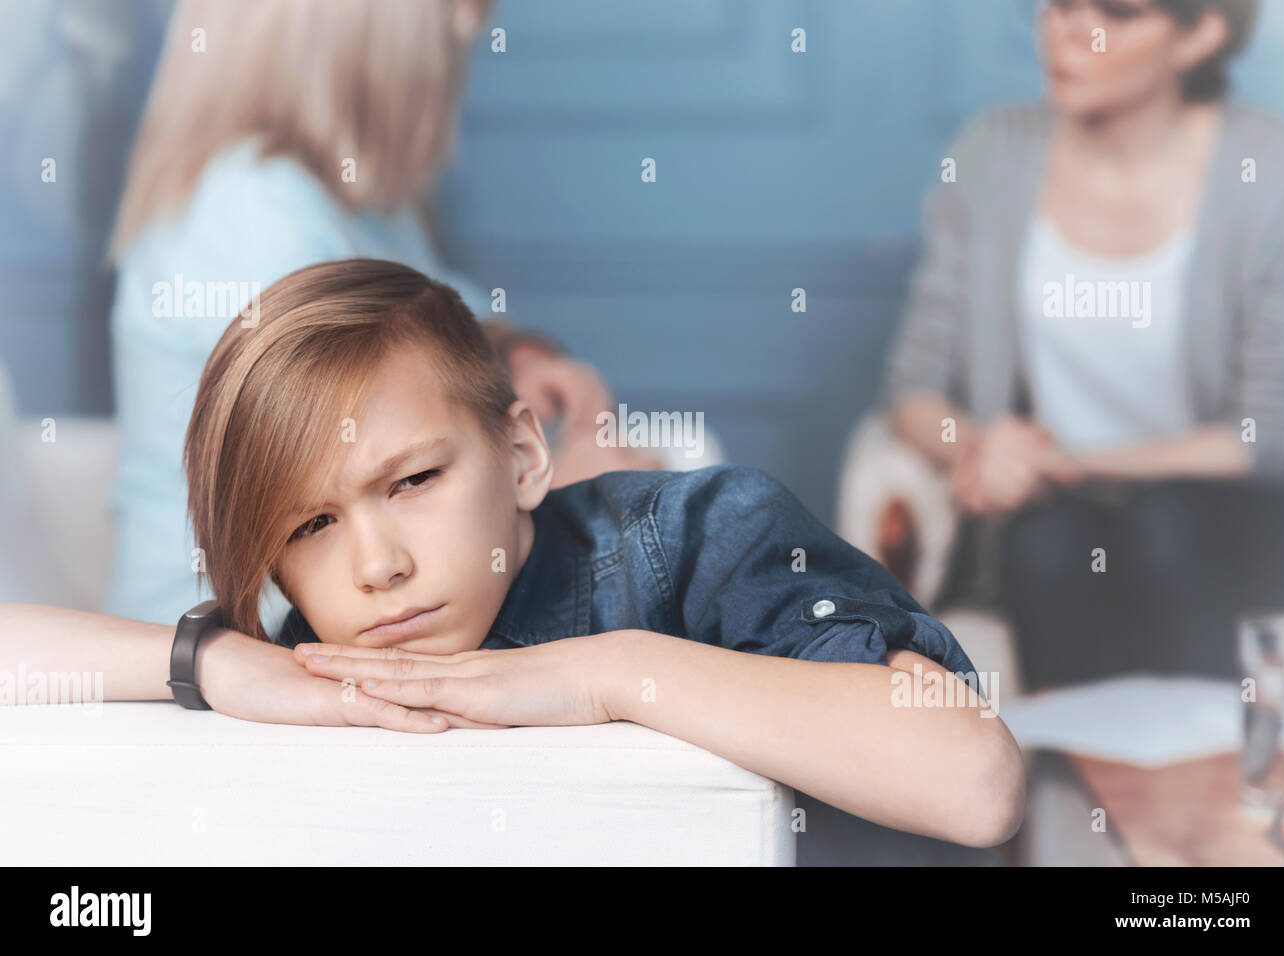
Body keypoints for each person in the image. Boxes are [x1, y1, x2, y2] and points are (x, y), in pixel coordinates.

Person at [1, 258, 1025, 852]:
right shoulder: (324, 647)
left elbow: (974, 781)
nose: (376, 565)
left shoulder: (701, 532)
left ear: (524, 451)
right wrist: (218, 659)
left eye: (412, 482)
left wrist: (604, 670)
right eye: (308, 526)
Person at [103, 0, 658, 635]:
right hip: (243, 631)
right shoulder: (253, 213)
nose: (445, 80)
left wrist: (523, 352)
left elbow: (430, 317)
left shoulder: (357, 199)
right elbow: (335, 458)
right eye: (441, 48)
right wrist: (579, 502)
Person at [880, 0, 1284, 690]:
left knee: (1164, 525)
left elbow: (1267, 436)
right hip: (1050, 515)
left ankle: (1197, 777)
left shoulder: (1274, 171)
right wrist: (982, 448)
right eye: (1060, 3)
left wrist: (1064, 460)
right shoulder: (993, 152)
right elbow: (914, 389)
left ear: (1200, 35)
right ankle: (1078, 785)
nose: (1068, 30)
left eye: (1116, 11)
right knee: (1047, 538)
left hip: (1215, 517)